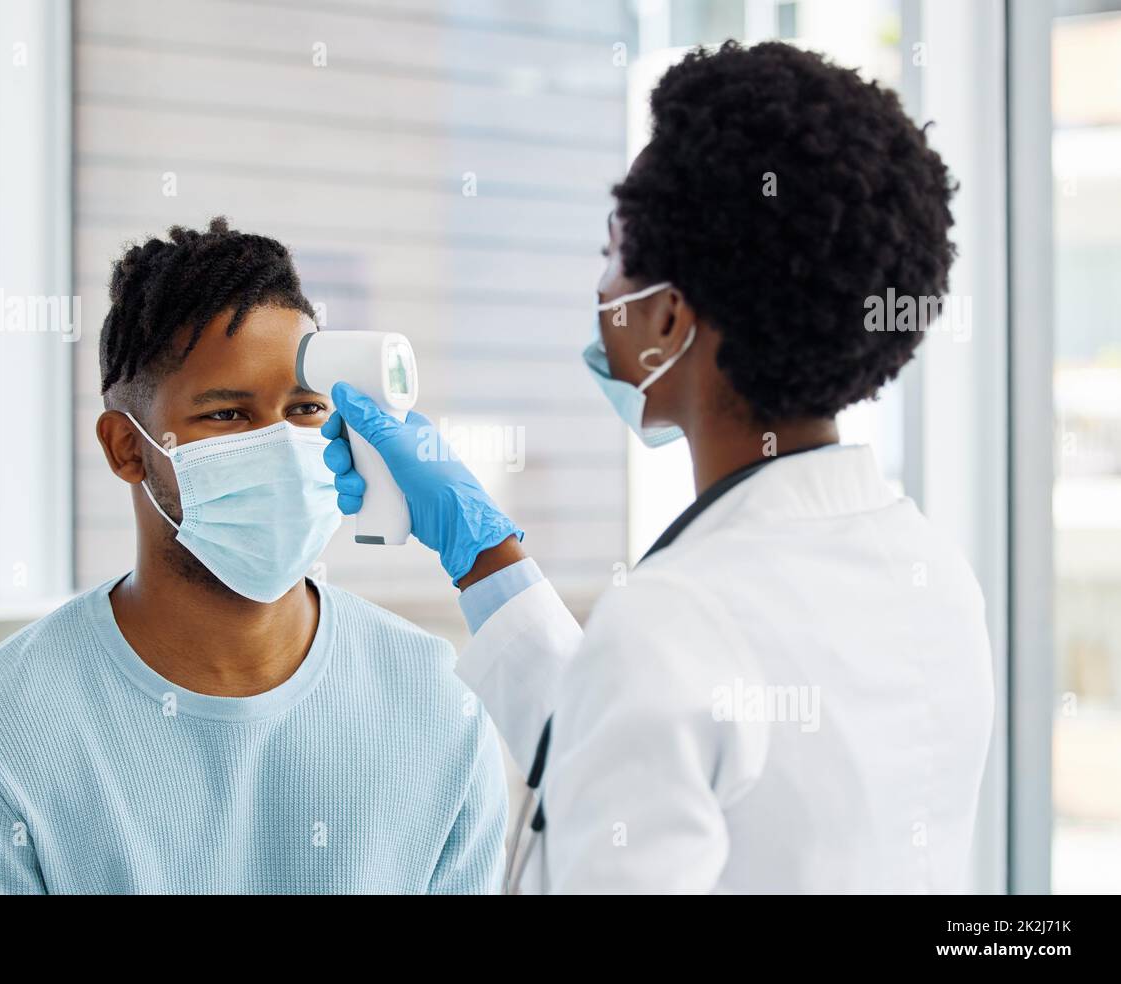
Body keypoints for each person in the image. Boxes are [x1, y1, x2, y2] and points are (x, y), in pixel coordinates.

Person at [324, 41, 994, 893]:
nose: (601, 292)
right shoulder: (930, 570)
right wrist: (479, 551)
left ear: (670, 320)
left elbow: (657, 712)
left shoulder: (678, 620)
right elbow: (651, 744)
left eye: (612, 255)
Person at [0, 218, 507, 894]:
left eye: (305, 410)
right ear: (126, 448)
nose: (280, 444)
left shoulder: (437, 707)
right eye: (228, 416)